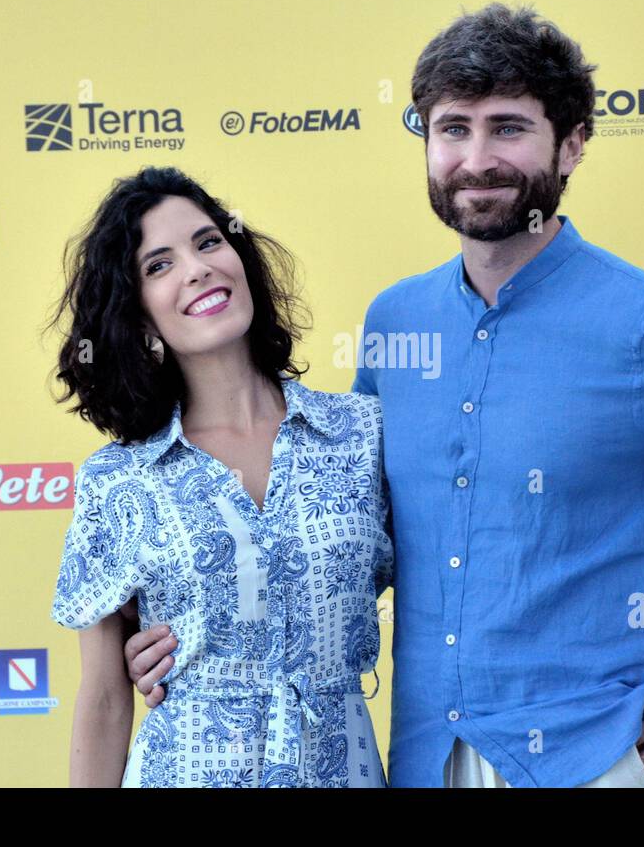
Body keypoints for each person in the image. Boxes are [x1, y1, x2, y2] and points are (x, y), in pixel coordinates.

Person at [126, 3, 644, 789]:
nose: (477, 157)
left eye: (508, 128)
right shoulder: (397, 322)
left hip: (596, 758)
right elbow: (353, 540)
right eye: (452, 128)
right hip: (427, 760)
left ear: (573, 143)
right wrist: (192, 627)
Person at [46, 167, 393, 787]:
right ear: (141, 318)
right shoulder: (120, 483)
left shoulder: (363, 436)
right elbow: (102, 701)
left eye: (208, 242)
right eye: (159, 265)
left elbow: (455, 599)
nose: (197, 268)